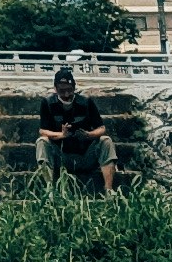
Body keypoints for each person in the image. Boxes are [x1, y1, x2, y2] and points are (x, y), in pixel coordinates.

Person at [35, 61, 115, 192]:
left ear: (74, 87)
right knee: (42, 142)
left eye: (69, 90)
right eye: (62, 91)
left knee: (106, 141)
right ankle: (49, 190)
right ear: (55, 89)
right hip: (62, 156)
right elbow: (42, 130)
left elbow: (101, 128)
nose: (66, 95)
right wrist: (61, 135)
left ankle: (108, 189)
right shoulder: (47, 103)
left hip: (85, 154)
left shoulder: (86, 102)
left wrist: (89, 135)